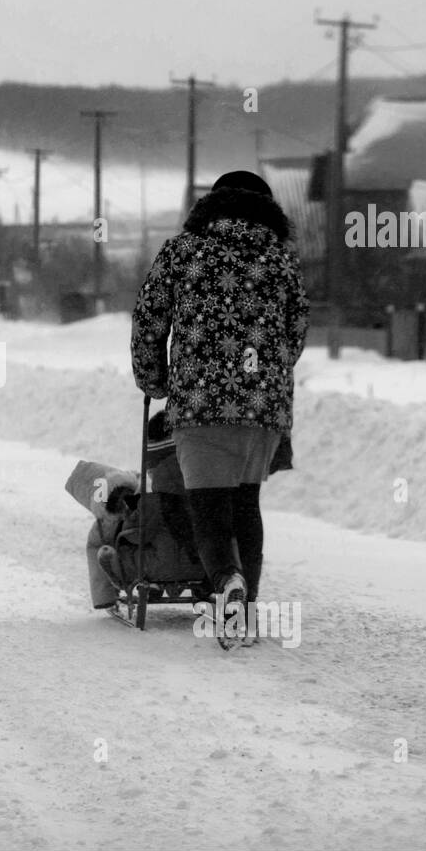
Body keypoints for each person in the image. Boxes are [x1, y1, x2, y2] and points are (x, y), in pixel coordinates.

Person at [131, 170, 308, 646]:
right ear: (267, 210)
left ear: (213, 205)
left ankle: (226, 582)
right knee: (246, 504)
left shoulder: (182, 252)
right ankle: (244, 612)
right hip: (262, 409)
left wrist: (155, 381)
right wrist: (264, 373)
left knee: (208, 508)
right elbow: (295, 337)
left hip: (202, 404)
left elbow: (149, 320)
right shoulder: (281, 260)